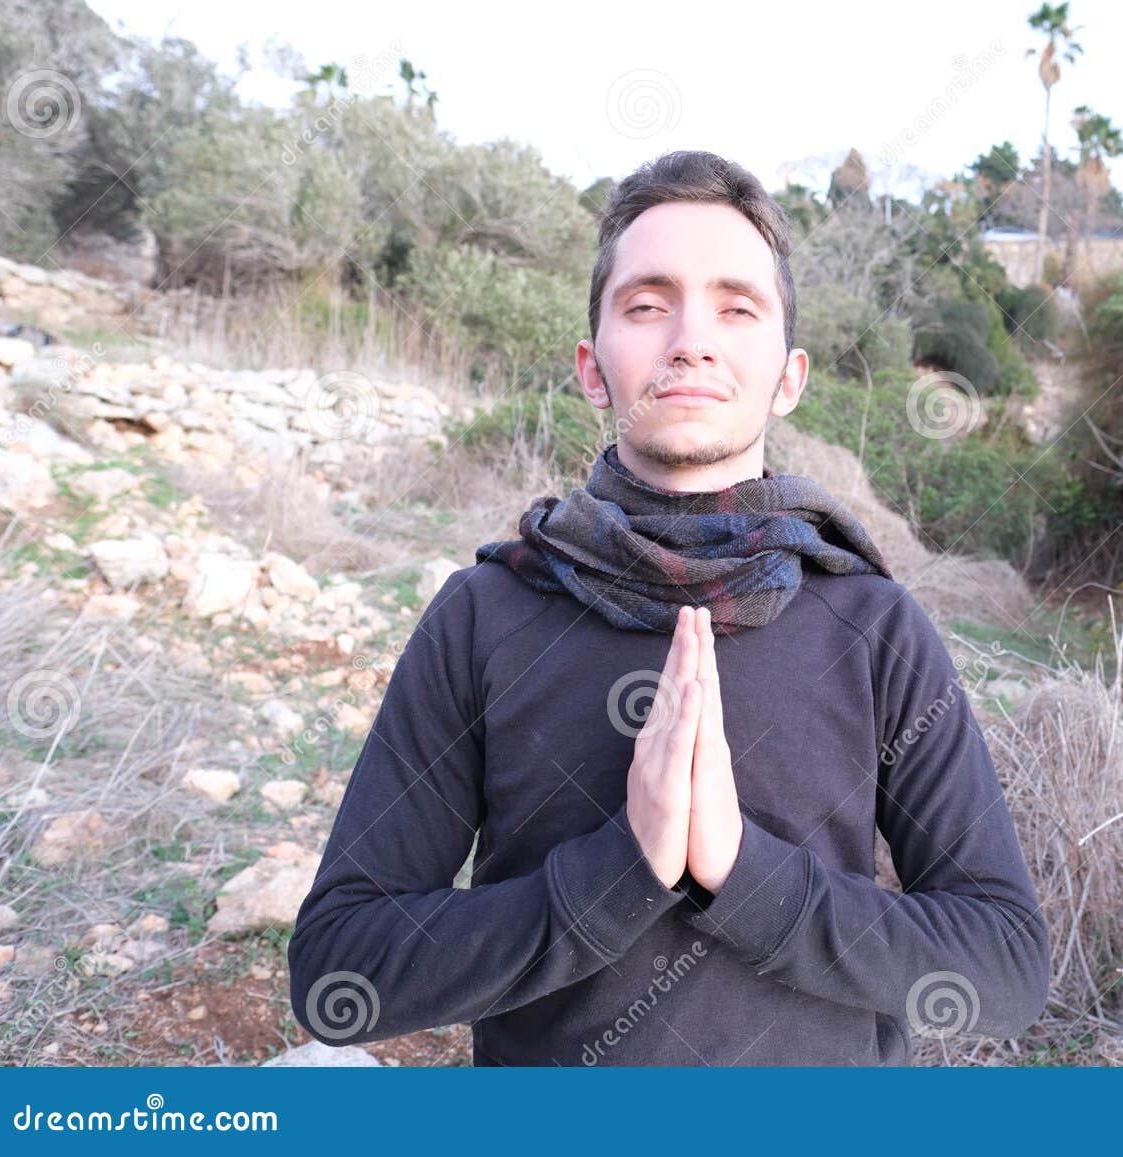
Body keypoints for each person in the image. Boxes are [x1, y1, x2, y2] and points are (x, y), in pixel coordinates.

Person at [287, 149, 1050, 1066]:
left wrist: (745, 872)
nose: (691, 338)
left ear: (790, 374)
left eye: (736, 307)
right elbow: (339, 969)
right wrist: (620, 876)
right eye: (648, 305)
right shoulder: (484, 617)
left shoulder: (875, 627)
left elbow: (1005, 964)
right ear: (592, 366)